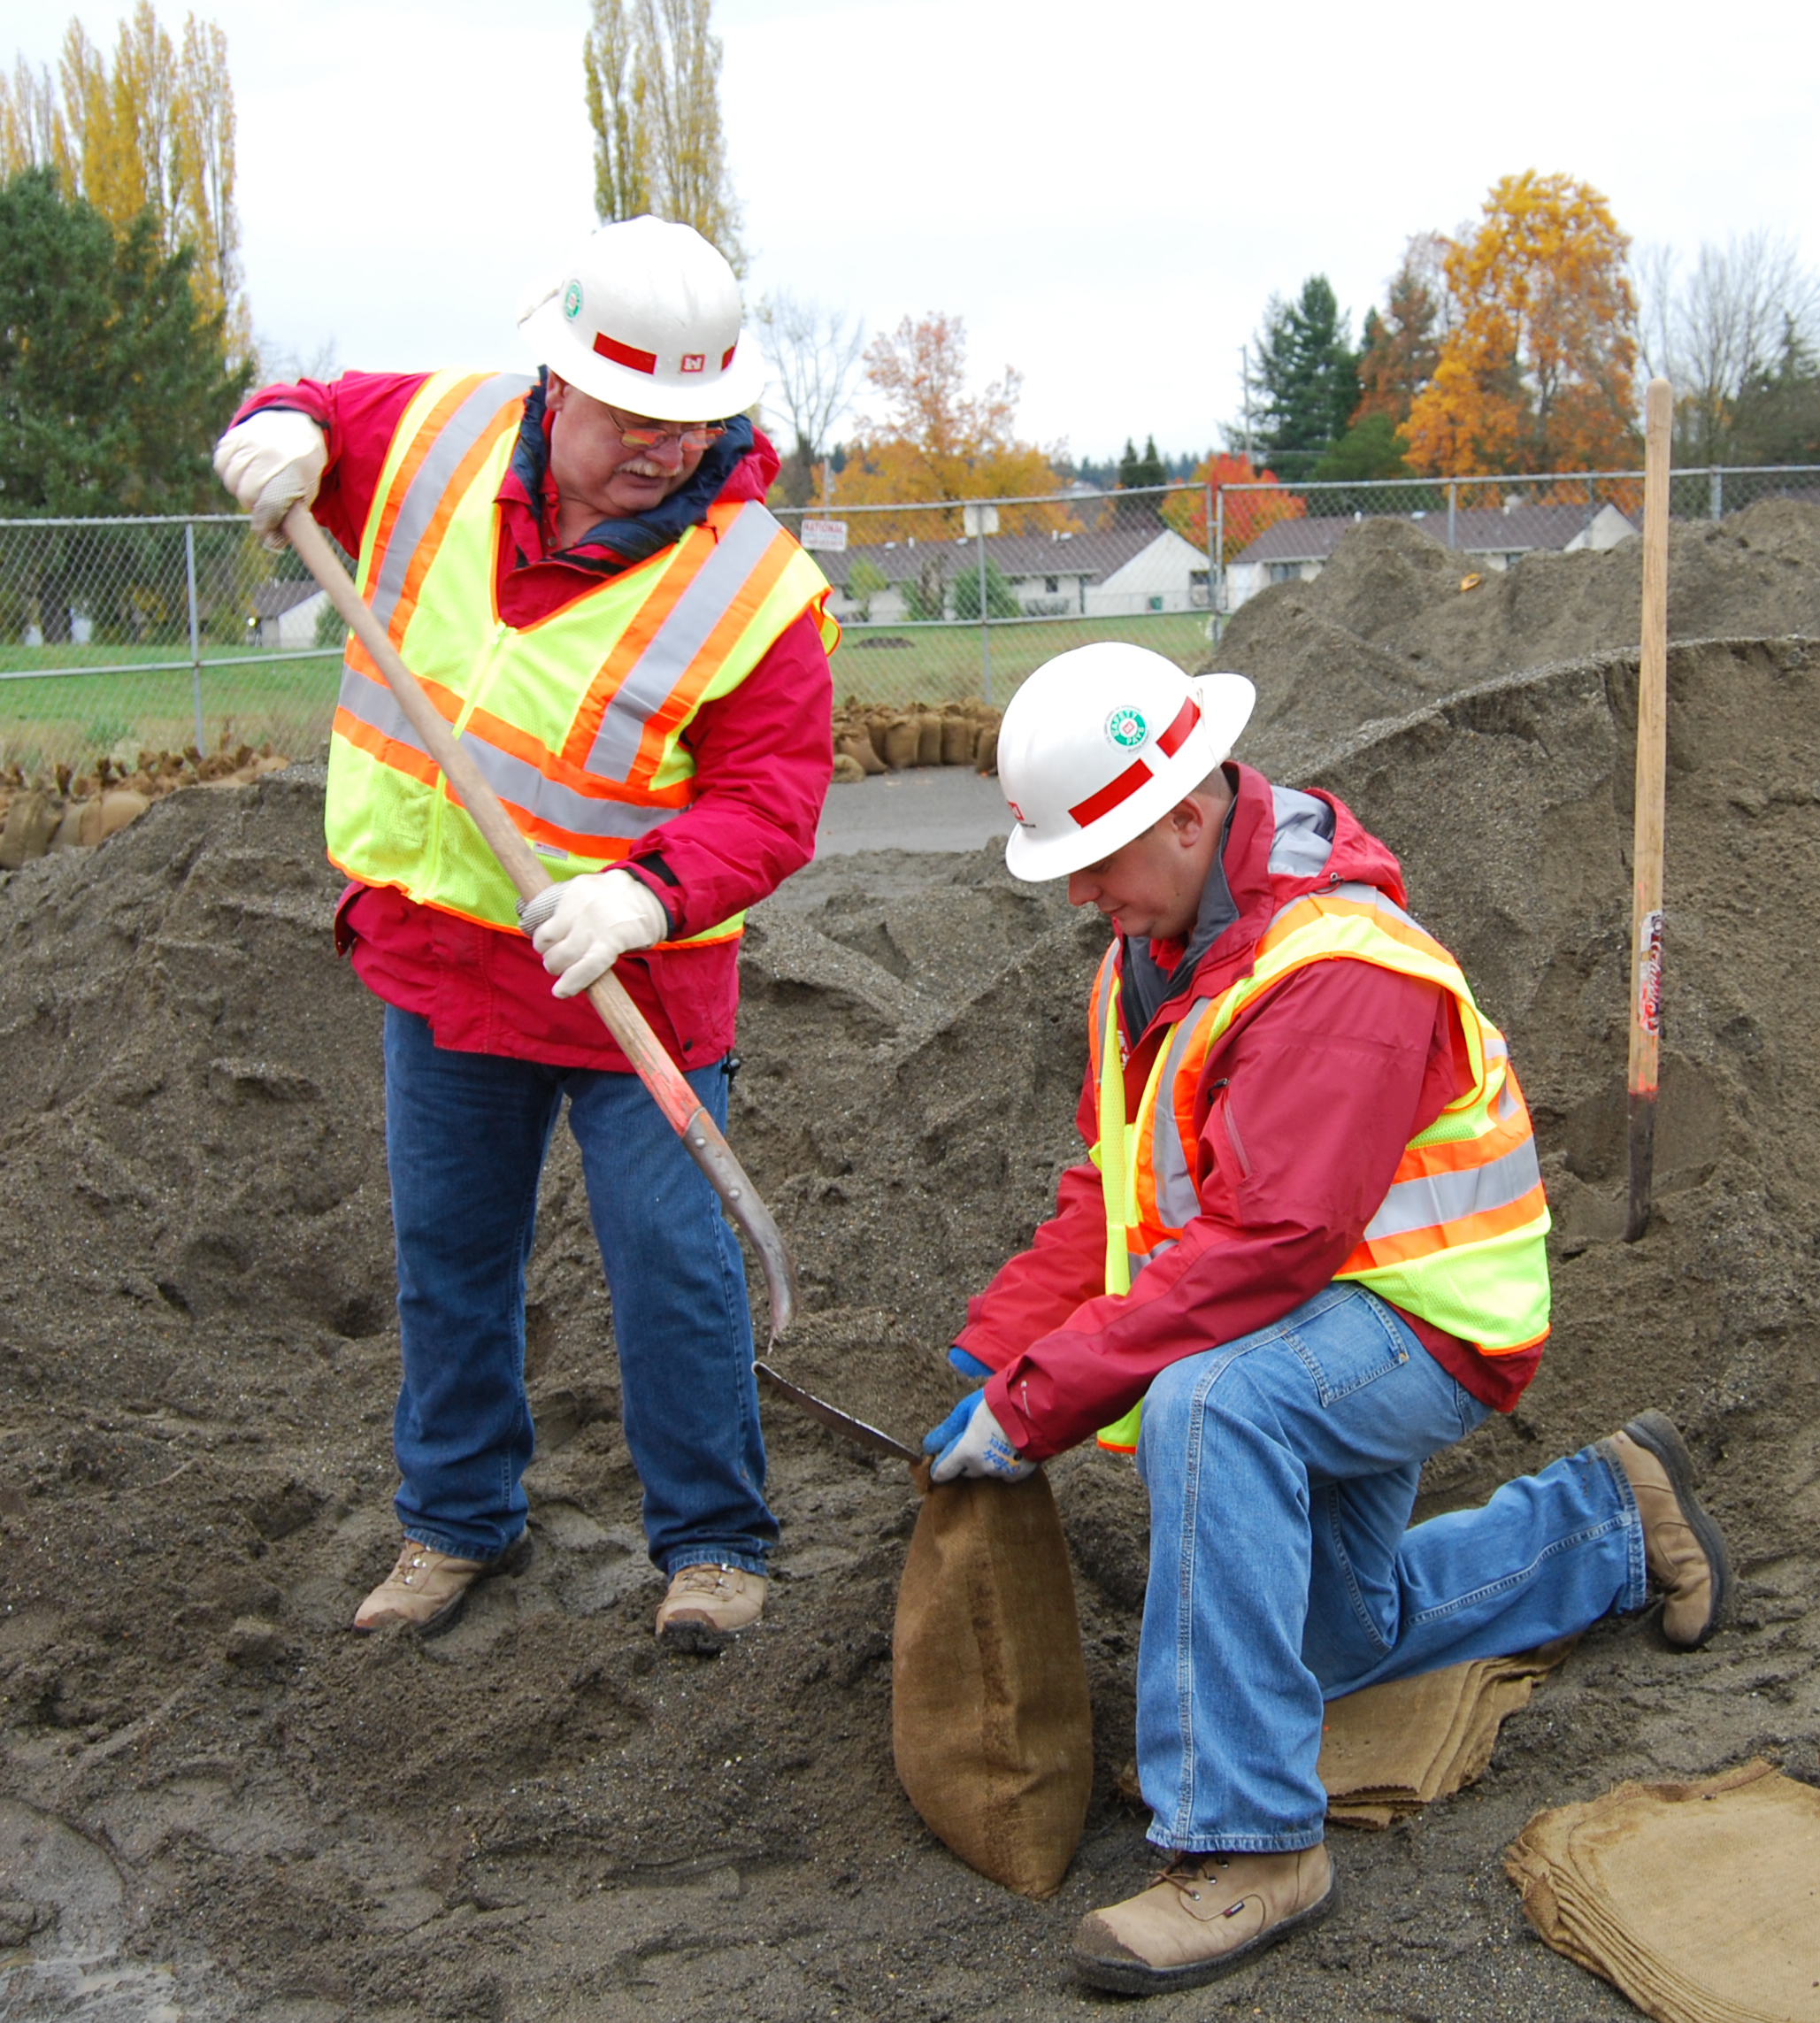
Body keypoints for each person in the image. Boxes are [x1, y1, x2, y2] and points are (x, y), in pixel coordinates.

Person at [922, 642, 1732, 1996]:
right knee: (1329, 1643)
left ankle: (1247, 1844)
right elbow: (1107, 1188)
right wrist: (993, 1350)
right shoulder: (1157, 952)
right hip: (1321, 1319)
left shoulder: (1335, 968)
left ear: (1188, 812)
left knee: (1208, 1402)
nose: (1082, 890)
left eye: (1102, 852)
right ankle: (1608, 1516)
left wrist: (1042, 1396)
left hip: (1427, 1324)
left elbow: (1271, 1240)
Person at [212, 217, 837, 1650]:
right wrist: (272, 436)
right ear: (558, 383)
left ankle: (714, 1544)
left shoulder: (749, 591)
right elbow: (299, 408)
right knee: (450, 1258)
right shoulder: (437, 432)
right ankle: (455, 1519)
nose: (666, 449)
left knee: (676, 1272)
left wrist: (647, 893)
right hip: (446, 961)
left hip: (637, 989)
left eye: (697, 420)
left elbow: (772, 801)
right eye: (634, 416)